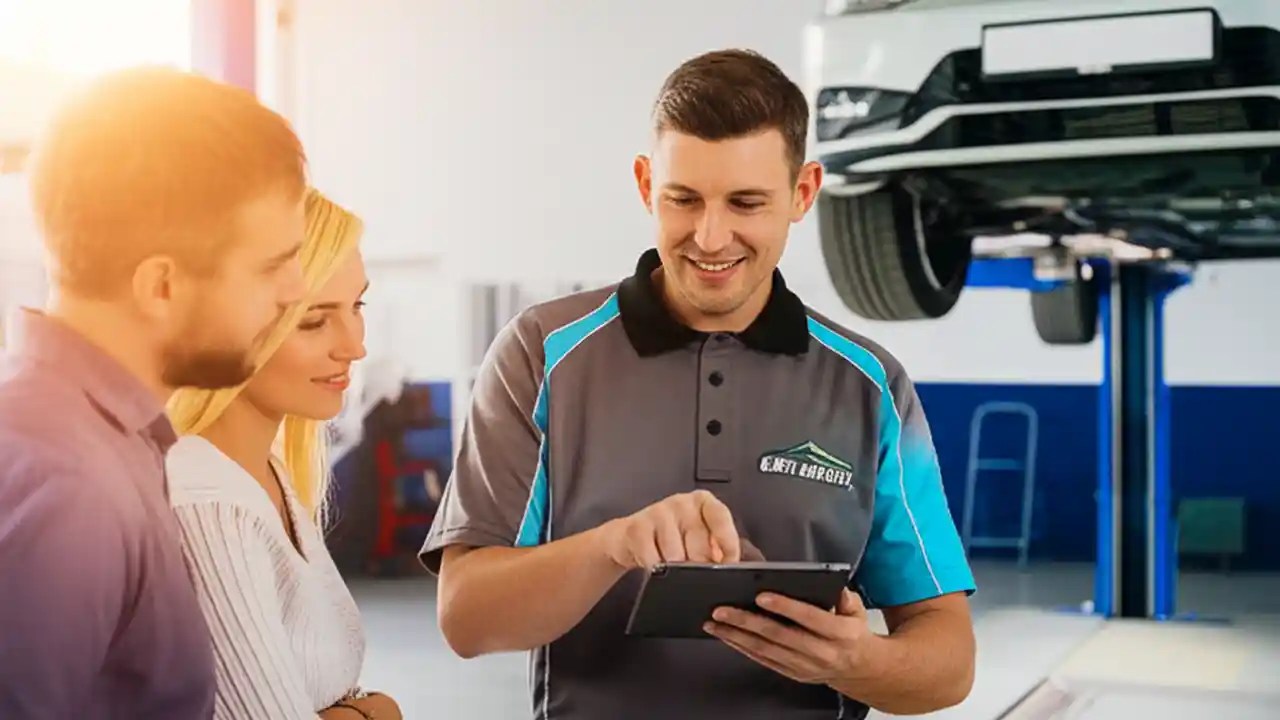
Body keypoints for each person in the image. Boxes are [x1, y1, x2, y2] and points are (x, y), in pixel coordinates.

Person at [423, 49, 978, 720]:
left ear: (803, 193)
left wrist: (857, 662)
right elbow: (466, 618)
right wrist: (613, 545)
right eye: (683, 200)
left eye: (746, 203)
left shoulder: (871, 386)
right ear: (644, 182)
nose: (710, 238)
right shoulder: (542, 354)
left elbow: (949, 662)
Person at [0, 67, 309, 719]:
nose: (292, 292)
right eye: (271, 266)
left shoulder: (98, 438)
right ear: (161, 286)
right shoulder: (71, 484)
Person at [164, 188, 401, 720]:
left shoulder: (266, 471)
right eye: (314, 321)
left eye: (356, 306)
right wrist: (370, 713)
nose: (354, 345)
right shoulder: (208, 504)